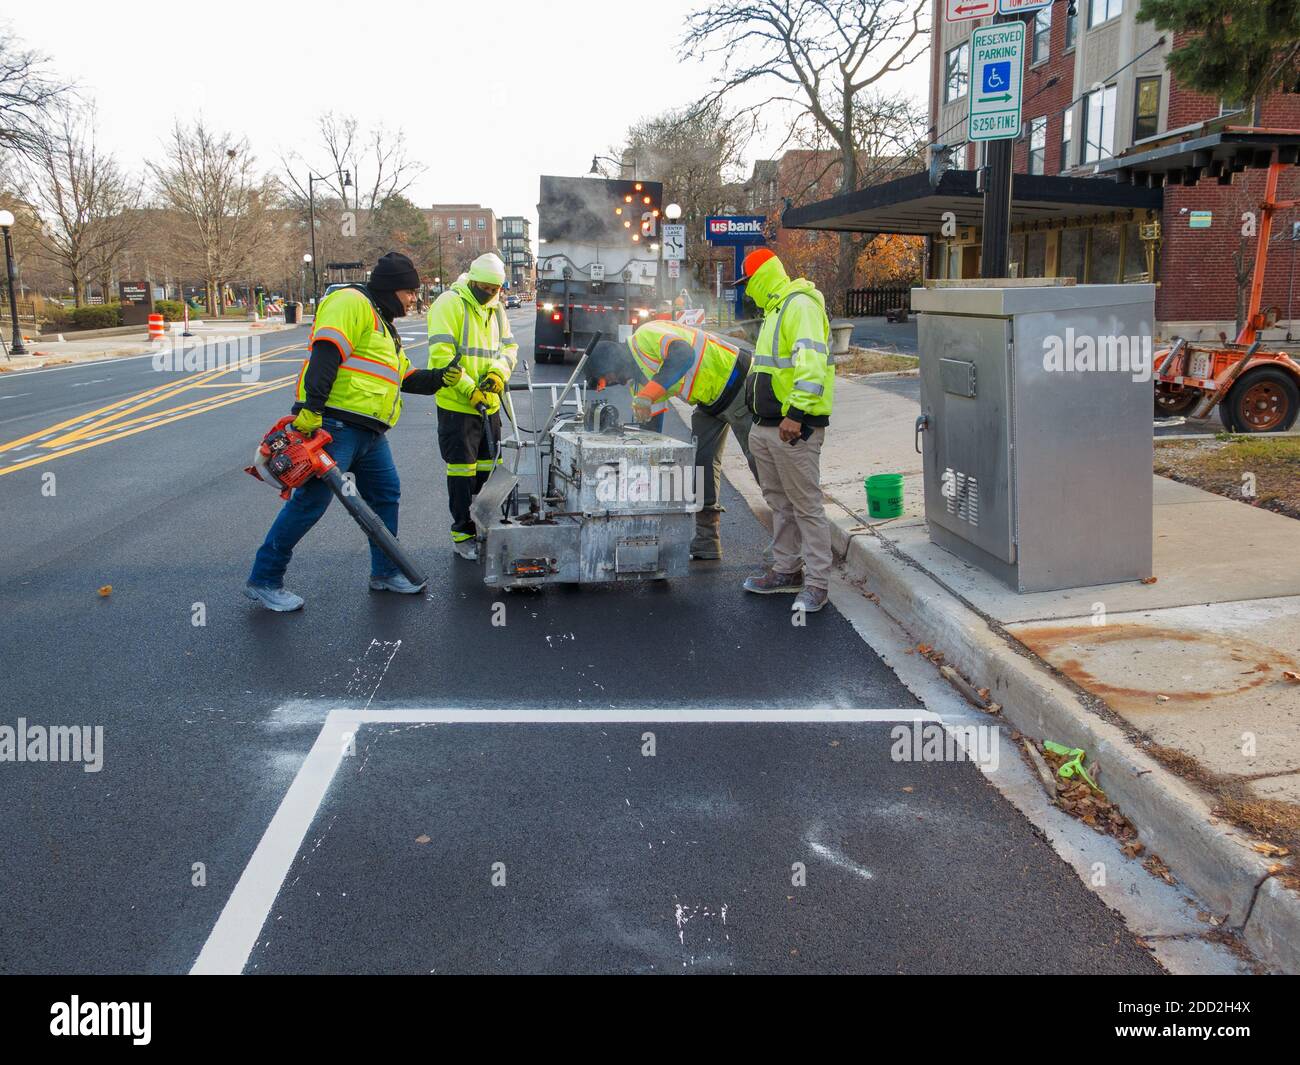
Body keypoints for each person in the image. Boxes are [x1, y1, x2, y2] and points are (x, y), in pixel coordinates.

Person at [245, 252, 461, 611]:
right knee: (310, 504)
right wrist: (312, 409)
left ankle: (385, 573)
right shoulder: (351, 302)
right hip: (333, 426)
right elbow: (326, 353)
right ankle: (265, 579)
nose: (413, 300)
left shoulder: (384, 325)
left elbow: (403, 377)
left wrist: (439, 379)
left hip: (369, 433)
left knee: (386, 495)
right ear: (393, 288)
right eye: (410, 292)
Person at [585, 319, 758, 559]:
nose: (612, 382)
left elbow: (683, 354)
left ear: (611, 364)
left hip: (738, 382)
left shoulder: (645, 337)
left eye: (607, 378)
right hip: (710, 402)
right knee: (702, 463)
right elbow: (651, 435)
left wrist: (648, 395)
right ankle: (708, 540)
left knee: (762, 463)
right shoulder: (639, 384)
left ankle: (792, 545)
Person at [735, 249, 835, 614]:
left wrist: (796, 414)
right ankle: (786, 569)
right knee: (780, 504)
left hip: (793, 428)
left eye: (747, 283)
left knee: (805, 505)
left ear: (760, 277)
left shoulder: (800, 305)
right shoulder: (776, 309)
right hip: (768, 427)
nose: (746, 292)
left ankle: (818, 584)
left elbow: (812, 364)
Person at [426, 253, 519, 559]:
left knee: (488, 471)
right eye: (487, 287)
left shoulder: (497, 309)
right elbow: (443, 356)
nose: (492, 293)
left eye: (497, 289)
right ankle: (462, 533)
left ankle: (485, 526)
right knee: (462, 473)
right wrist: (469, 390)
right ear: (474, 280)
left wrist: (497, 374)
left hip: (489, 406)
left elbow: (508, 348)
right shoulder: (449, 304)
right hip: (458, 407)